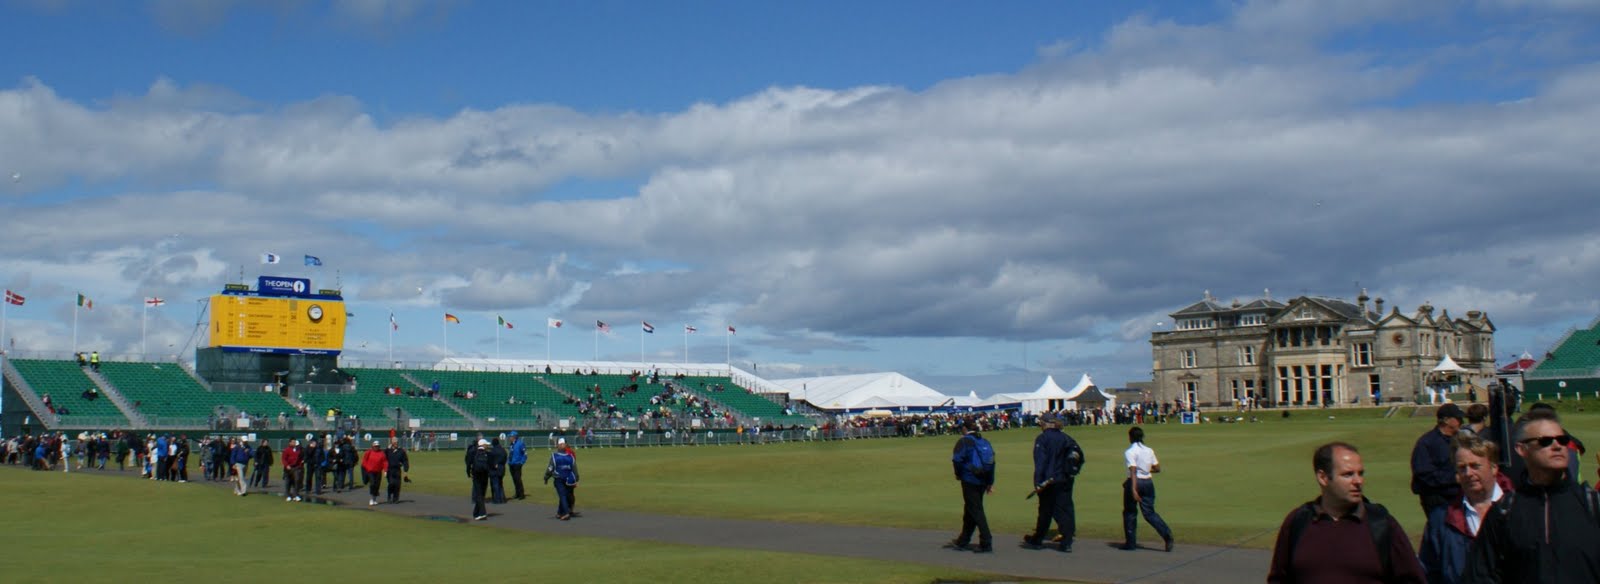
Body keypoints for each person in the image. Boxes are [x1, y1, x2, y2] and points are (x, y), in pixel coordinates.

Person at [1462, 410, 1600, 582]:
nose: (1557, 446)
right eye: (1545, 441)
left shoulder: (1592, 504)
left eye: (1562, 440)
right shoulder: (1505, 511)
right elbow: (1481, 574)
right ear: (1522, 449)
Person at [1268, 442, 1426, 583]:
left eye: (1360, 473)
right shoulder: (1298, 521)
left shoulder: (1381, 524)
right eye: (1348, 474)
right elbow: (1278, 578)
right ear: (1323, 477)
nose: (1358, 481)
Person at [1419, 435, 1504, 584]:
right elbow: (1428, 573)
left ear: (1494, 467)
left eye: (1475, 466)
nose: (1468, 473)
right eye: (1462, 468)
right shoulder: (1441, 520)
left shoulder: (1518, 511)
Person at [1022, 415, 1083, 552]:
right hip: (1065, 478)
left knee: (1045, 510)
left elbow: (1040, 462)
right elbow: (1079, 456)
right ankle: (1066, 542)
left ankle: (1038, 539)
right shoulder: (1066, 437)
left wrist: (1038, 482)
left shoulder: (1042, 438)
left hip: (1049, 480)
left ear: (1045, 424)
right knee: (1065, 509)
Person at [1120, 426, 1174, 552]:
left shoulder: (1130, 451)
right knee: (1149, 513)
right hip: (1148, 482)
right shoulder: (1149, 450)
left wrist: (1133, 489)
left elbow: (1133, 470)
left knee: (1130, 512)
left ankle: (1130, 543)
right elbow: (1157, 468)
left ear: (1130, 437)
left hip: (1135, 482)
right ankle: (1167, 534)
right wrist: (1145, 470)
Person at [944, 421, 995, 553]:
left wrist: (958, 474)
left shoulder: (964, 441)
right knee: (970, 509)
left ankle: (986, 541)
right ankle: (963, 540)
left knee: (976, 510)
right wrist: (990, 482)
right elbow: (992, 462)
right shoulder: (984, 441)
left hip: (970, 478)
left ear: (965, 428)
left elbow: (957, 459)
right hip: (983, 478)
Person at [1413, 403, 1465, 518]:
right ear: (1446, 420)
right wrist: (1454, 478)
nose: (1462, 422)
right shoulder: (1427, 442)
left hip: (1460, 496)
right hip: (1437, 500)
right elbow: (1424, 474)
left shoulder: (1461, 440)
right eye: (1458, 418)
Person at [547, 440, 579, 520]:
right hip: (569, 478)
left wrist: (546, 477)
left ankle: (566, 512)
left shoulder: (555, 456)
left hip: (560, 478)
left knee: (563, 495)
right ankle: (559, 512)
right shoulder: (570, 454)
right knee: (564, 495)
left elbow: (550, 468)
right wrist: (576, 479)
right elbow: (574, 468)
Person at [467, 439, 492, 520]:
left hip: (476, 475)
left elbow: (468, 463)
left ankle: (478, 513)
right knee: (482, 494)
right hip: (485, 476)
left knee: (479, 494)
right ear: (483, 445)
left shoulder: (473, 453)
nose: (487, 446)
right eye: (486, 445)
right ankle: (480, 513)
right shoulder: (488, 454)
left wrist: (468, 473)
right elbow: (491, 465)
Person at [360, 440, 387, 506]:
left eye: (377, 446)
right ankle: (371, 499)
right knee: (372, 484)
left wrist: (385, 471)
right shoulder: (368, 452)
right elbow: (364, 461)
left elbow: (385, 462)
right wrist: (367, 468)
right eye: (375, 446)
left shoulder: (382, 453)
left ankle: (374, 499)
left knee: (377, 485)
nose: (376, 447)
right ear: (372, 446)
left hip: (378, 471)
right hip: (370, 471)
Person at [384, 440, 409, 504]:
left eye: (397, 442)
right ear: (392, 443)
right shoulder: (388, 450)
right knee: (391, 484)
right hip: (390, 470)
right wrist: (385, 470)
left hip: (397, 470)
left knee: (397, 485)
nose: (396, 443)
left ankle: (396, 498)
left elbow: (405, 460)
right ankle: (389, 496)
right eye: (394, 442)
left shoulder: (401, 451)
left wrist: (405, 470)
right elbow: (383, 457)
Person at [508, 431, 528, 500]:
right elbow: (511, 453)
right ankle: (517, 493)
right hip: (511, 464)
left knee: (518, 479)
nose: (509, 438)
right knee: (514, 479)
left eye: (510, 436)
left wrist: (521, 462)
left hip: (517, 464)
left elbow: (525, 454)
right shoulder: (511, 444)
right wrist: (508, 461)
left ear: (514, 437)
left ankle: (521, 494)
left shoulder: (520, 443)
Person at [489, 437, 508, 504]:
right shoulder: (503, 450)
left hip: (494, 470)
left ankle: (497, 499)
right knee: (500, 484)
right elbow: (505, 459)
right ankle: (502, 499)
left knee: (495, 485)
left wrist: (494, 465)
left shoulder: (492, 451)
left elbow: (490, 461)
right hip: (501, 468)